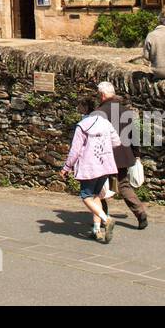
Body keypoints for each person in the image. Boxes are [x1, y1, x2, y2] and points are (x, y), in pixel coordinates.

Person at [60, 102, 121, 243]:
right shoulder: (106, 123)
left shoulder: (83, 125)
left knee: (86, 196)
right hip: (105, 165)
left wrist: (66, 168)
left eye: (80, 108)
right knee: (96, 196)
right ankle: (96, 230)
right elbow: (116, 142)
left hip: (90, 167)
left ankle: (107, 219)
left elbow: (75, 150)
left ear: (85, 109)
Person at [94, 81, 148, 229]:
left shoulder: (98, 113)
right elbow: (134, 136)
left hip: (104, 156)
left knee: (99, 188)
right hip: (123, 155)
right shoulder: (126, 111)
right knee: (124, 185)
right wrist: (136, 154)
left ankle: (104, 218)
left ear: (102, 95)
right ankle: (140, 213)